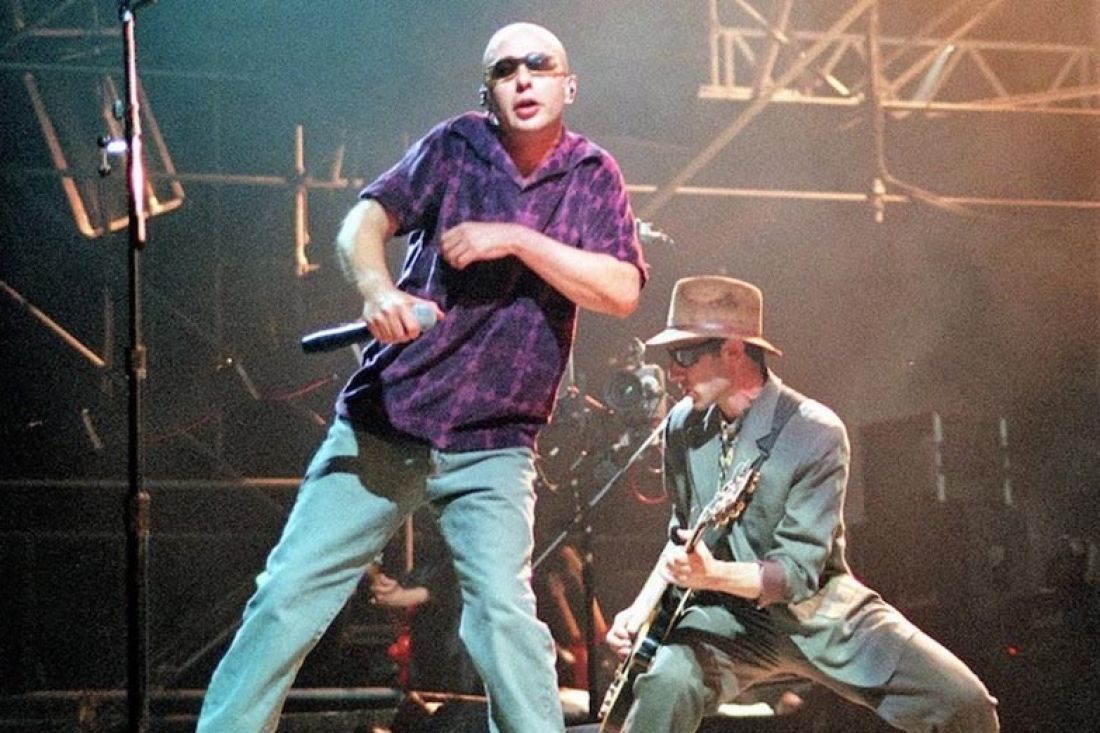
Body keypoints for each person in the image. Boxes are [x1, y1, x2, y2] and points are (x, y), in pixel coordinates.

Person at [196, 21, 647, 733]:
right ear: (488, 93)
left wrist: (515, 238)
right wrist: (377, 291)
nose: (523, 79)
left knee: (504, 616)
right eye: (505, 70)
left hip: (495, 439)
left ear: (569, 85)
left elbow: (621, 289)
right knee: (288, 596)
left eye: (538, 65)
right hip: (390, 418)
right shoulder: (455, 146)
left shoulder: (592, 174)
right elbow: (362, 223)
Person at [604, 276, 999, 732]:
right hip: (729, 617)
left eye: (685, 355)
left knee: (964, 703)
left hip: (818, 613)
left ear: (733, 350)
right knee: (664, 683)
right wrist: (639, 610)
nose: (674, 372)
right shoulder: (682, 425)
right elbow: (681, 536)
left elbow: (795, 575)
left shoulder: (814, 431)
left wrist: (711, 574)